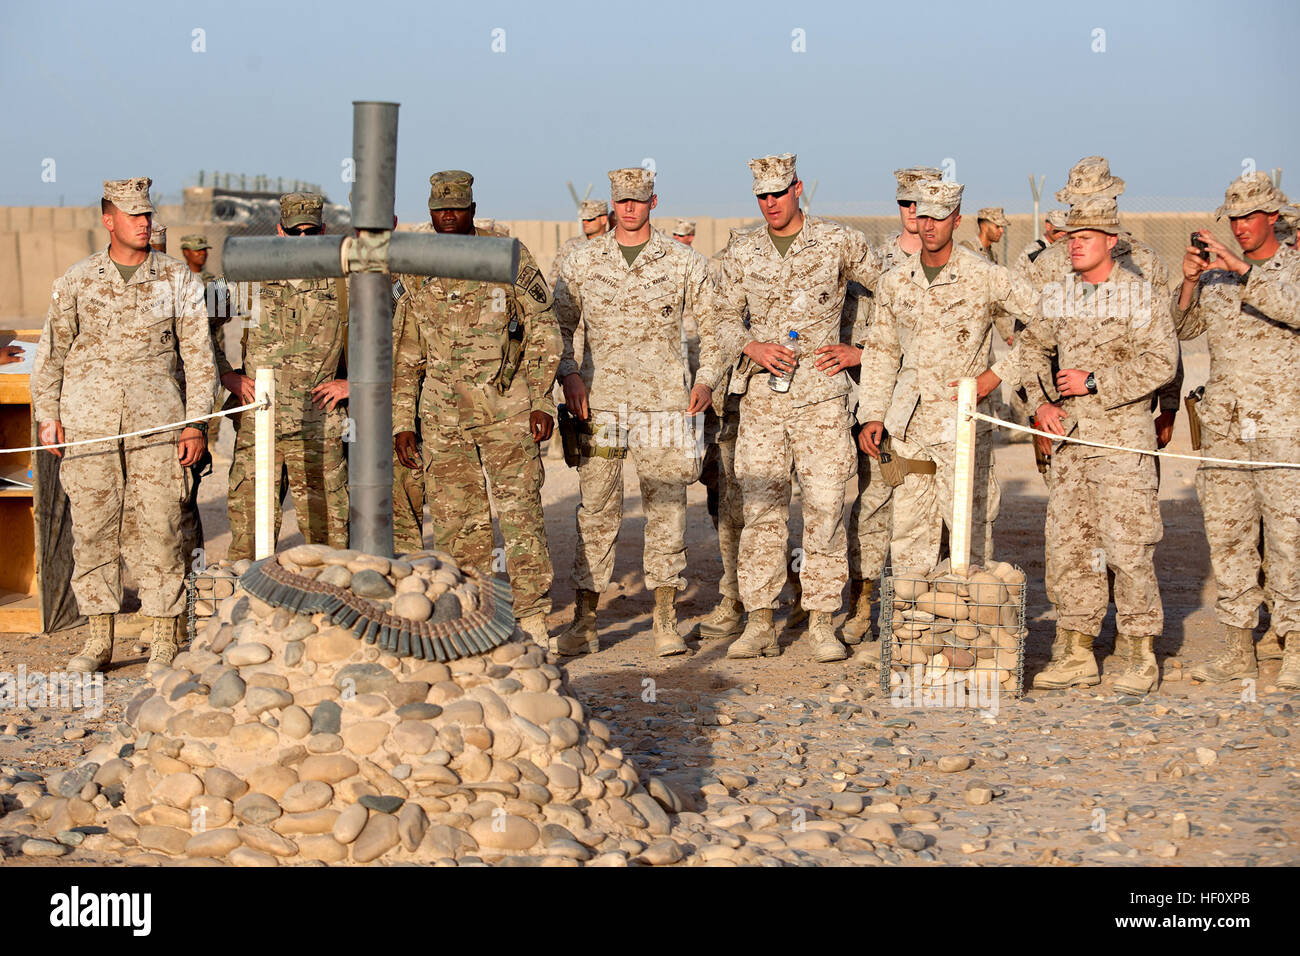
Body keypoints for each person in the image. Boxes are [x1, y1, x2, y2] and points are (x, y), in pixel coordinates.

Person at [33, 177, 215, 674]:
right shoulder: (78, 279)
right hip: (88, 424)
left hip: (157, 423)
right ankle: (98, 641)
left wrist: (195, 424)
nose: (144, 223)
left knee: (160, 526)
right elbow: (51, 354)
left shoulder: (177, 279)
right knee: (92, 528)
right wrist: (48, 417)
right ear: (108, 219)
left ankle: (162, 637)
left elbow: (200, 358)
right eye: (133, 215)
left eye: (148, 215)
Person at [712, 153, 880, 663]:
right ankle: (760, 621)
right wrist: (751, 346)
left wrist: (863, 347)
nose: (770, 204)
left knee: (826, 507)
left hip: (823, 399)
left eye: (779, 193)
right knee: (761, 509)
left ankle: (822, 621)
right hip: (763, 400)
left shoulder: (838, 241)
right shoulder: (741, 249)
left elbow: (894, 293)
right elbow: (719, 317)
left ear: (798, 189)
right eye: (761, 196)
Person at [553, 166, 720, 658]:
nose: (629, 208)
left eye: (638, 200)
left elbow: (716, 326)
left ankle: (666, 618)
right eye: (621, 201)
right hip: (599, 405)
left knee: (666, 507)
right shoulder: (582, 261)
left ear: (653, 202)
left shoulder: (683, 261)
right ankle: (585, 620)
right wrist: (569, 374)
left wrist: (707, 378)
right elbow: (559, 326)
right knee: (597, 509)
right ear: (611, 204)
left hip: (664, 406)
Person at [392, 171, 561, 646]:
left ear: (471, 207)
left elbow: (543, 329)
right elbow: (405, 349)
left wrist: (541, 397)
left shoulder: (506, 255)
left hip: (506, 407)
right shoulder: (416, 262)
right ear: (429, 210)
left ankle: (532, 619)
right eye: (439, 208)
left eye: (457, 208)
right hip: (442, 416)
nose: (448, 216)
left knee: (521, 514)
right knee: (455, 523)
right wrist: (402, 421)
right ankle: (472, 618)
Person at [1021, 197, 1178, 694]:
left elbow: (1162, 363)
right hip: (1070, 444)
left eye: (1086, 236)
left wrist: (1096, 382)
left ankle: (1137, 650)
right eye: (1070, 236)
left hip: (1121, 442)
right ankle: (1076, 649)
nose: (1075, 244)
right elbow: (1029, 350)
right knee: (1071, 546)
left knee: (1128, 547)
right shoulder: (1058, 295)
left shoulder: (1141, 297)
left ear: (1112, 240)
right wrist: (1041, 406)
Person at [858, 179, 1036, 576]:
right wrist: (872, 414)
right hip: (910, 430)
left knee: (967, 534)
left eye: (939, 217)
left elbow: (1045, 323)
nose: (929, 226)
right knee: (908, 533)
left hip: (963, 427)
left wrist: (997, 374)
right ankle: (911, 626)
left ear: (956, 219)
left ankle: (967, 627)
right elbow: (882, 352)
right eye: (922, 216)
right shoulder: (895, 281)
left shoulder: (984, 275)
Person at [1175, 172, 1300, 689]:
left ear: (1273, 217)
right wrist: (1188, 281)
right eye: (1233, 219)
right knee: (1229, 537)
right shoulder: (1216, 278)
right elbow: (1180, 331)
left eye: (1250, 217)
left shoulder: (1290, 266)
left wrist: (1246, 271)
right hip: (1226, 429)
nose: (1241, 228)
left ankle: (1294, 644)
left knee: (1290, 539)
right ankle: (1237, 646)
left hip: (1283, 427)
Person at [217, 192, 349, 559]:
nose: (303, 240)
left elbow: (391, 338)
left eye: (311, 232)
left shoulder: (344, 284)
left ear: (323, 231)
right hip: (260, 426)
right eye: (295, 233)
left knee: (328, 547)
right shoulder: (251, 278)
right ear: (279, 231)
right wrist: (227, 374)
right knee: (248, 541)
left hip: (319, 428)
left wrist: (353, 384)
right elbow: (196, 323)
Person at [842, 165, 941, 643]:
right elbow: (865, 336)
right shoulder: (873, 267)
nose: (915, 215)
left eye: (925, 206)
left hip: (938, 414)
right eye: (906, 204)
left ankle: (932, 614)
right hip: (883, 410)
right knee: (874, 506)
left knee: (936, 515)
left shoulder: (957, 266)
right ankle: (863, 607)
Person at [550, 198, 610, 285]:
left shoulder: (612, 245)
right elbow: (554, 279)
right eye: (583, 219)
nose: (585, 222)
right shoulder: (571, 246)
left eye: (590, 219)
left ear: (603, 219)